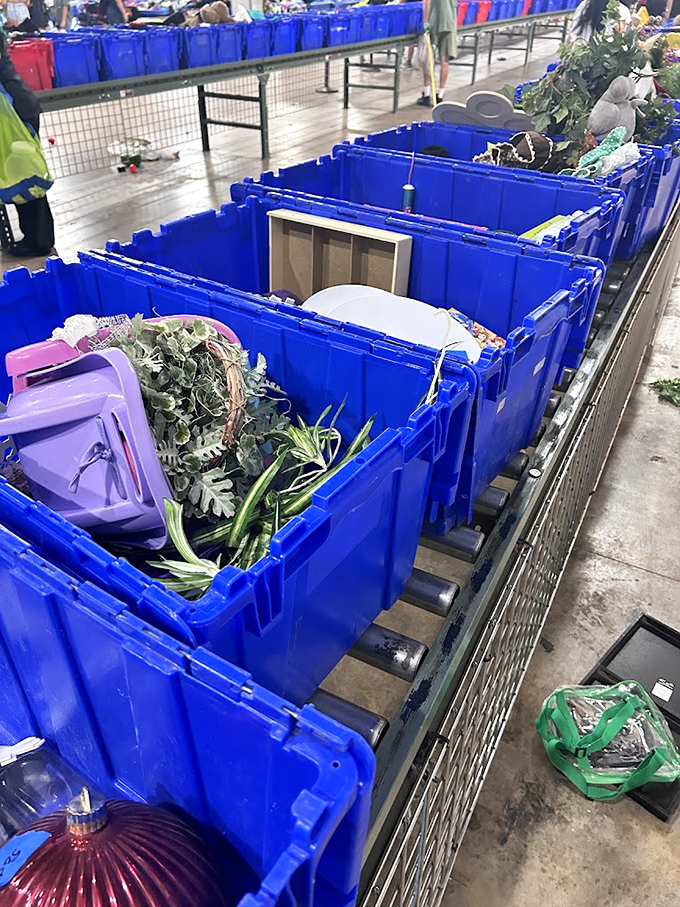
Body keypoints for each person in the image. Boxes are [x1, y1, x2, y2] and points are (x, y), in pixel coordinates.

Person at [0, 30, 54, 256]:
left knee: (26, 176)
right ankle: (36, 237)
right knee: (20, 175)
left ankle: (38, 242)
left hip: (15, 113)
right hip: (15, 109)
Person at [417, 0, 456, 107]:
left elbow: (427, 1)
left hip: (434, 22)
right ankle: (440, 95)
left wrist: (425, 20)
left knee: (428, 59)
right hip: (449, 23)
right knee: (445, 60)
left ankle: (426, 94)